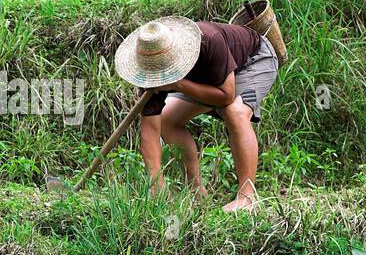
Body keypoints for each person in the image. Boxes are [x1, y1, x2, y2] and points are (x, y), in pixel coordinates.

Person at [114, 16, 278, 212]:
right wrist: (155, 183)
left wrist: (179, 84)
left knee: (234, 111)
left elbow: (225, 96)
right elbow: (150, 128)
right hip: (207, 80)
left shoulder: (209, 40)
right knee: (167, 120)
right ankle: (196, 192)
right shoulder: (150, 69)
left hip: (253, 61)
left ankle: (247, 197)